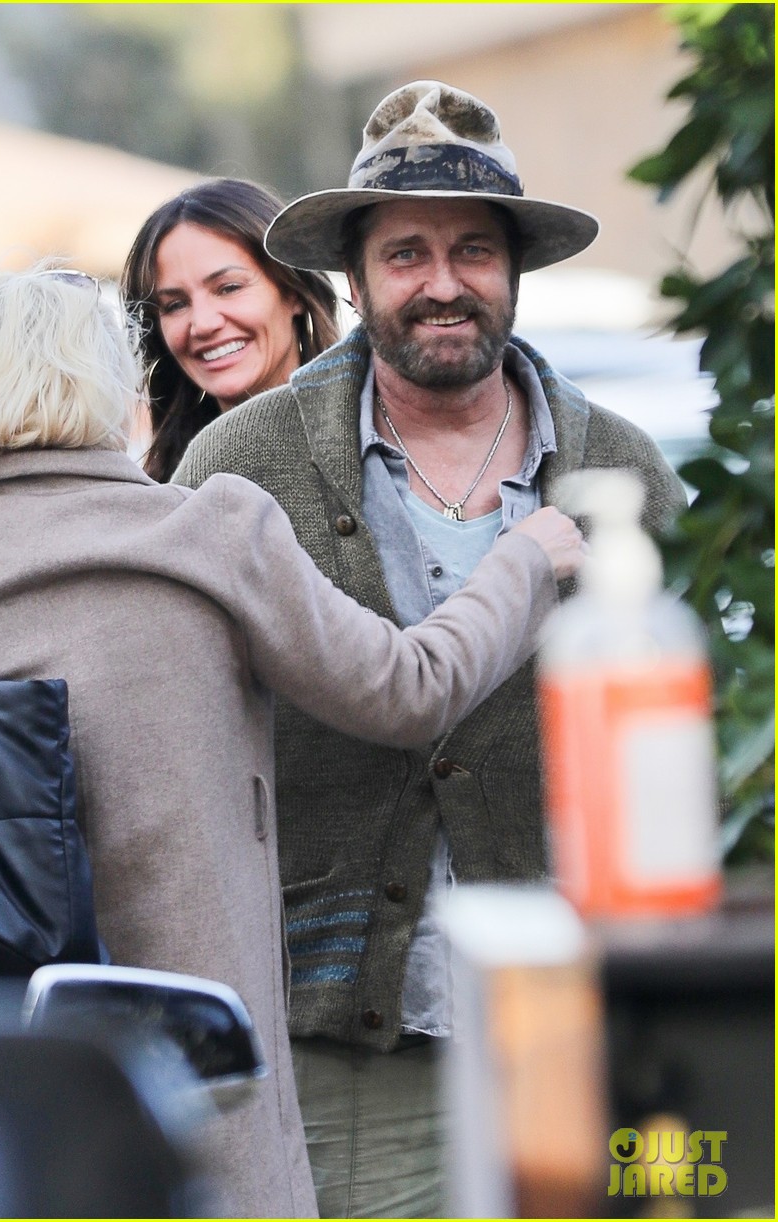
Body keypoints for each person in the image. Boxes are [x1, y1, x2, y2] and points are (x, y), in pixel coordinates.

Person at [0, 264, 585, 1219]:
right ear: (105, 384)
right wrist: (523, 564)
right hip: (195, 1086)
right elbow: (407, 688)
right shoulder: (206, 533)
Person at [173, 81, 687, 1219]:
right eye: (405, 253)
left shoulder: (624, 471)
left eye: (473, 251)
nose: (443, 283)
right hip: (349, 1035)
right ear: (354, 284)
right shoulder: (238, 468)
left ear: (516, 271)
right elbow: (187, 746)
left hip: (588, 1015)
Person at [121, 178, 341, 481]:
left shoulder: (378, 446)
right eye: (175, 305)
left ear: (294, 292)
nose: (203, 324)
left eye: (229, 288)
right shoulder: (159, 492)